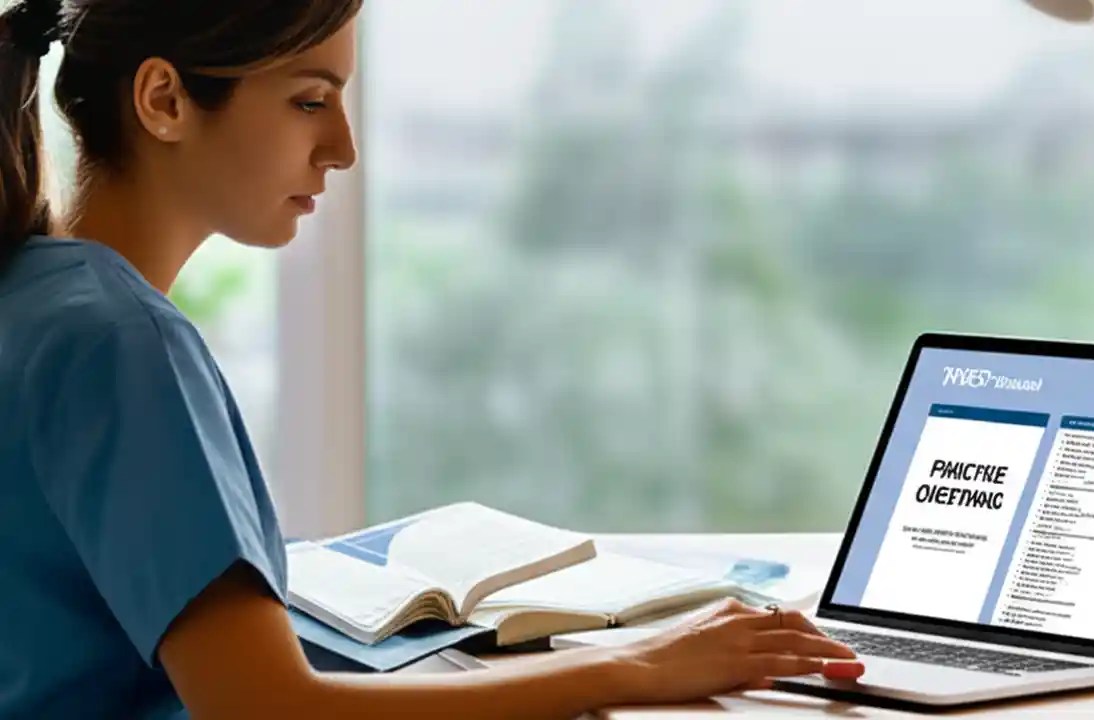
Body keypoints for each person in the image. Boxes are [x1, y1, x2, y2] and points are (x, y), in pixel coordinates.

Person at [0, 1, 865, 717]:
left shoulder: (35, 294)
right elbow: (264, 706)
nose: (342, 148)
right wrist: (641, 667)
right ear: (164, 100)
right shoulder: (121, 342)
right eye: (310, 100)